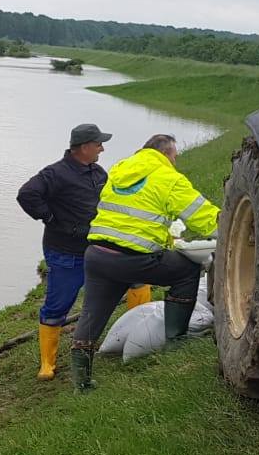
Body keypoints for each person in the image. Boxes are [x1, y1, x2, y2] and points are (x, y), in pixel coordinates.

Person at [68, 134, 219, 392]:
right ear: (166, 153)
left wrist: (163, 236)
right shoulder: (168, 177)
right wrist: (234, 228)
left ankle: (81, 383)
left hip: (98, 254)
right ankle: (176, 340)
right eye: (175, 156)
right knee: (186, 271)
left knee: (93, 314)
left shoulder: (119, 170)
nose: (175, 161)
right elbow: (203, 218)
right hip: (134, 259)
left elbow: (130, 217)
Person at [16, 122, 111, 381]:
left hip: (96, 247)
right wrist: (49, 217)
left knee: (108, 293)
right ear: (83, 147)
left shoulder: (98, 173)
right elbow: (26, 195)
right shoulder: (55, 173)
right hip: (65, 251)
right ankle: (47, 363)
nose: (102, 148)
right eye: (98, 143)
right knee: (58, 304)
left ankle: (95, 344)